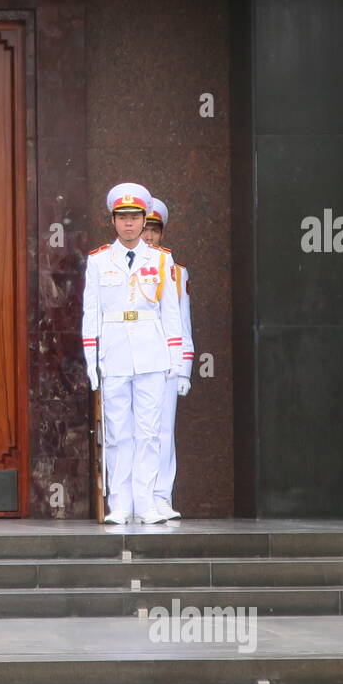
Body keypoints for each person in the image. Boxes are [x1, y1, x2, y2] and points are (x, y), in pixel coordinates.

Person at [81, 182, 185, 524]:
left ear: (144, 221)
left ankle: (146, 502)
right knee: (117, 431)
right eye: (122, 217)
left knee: (150, 431)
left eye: (135, 217)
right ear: (113, 220)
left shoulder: (161, 259)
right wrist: (92, 362)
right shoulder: (98, 261)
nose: (128, 224)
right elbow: (90, 314)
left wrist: (177, 359)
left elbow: (171, 313)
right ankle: (121, 503)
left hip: (152, 352)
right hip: (113, 353)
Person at [142, 198, 193, 519]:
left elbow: (183, 321)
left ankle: (160, 496)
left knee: (161, 431)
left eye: (154, 230)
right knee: (131, 433)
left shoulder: (175, 271)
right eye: (144, 229)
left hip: (165, 359)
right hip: (131, 358)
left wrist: (184, 367)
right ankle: (135, 498)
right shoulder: (115, 263)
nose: (148, 236)